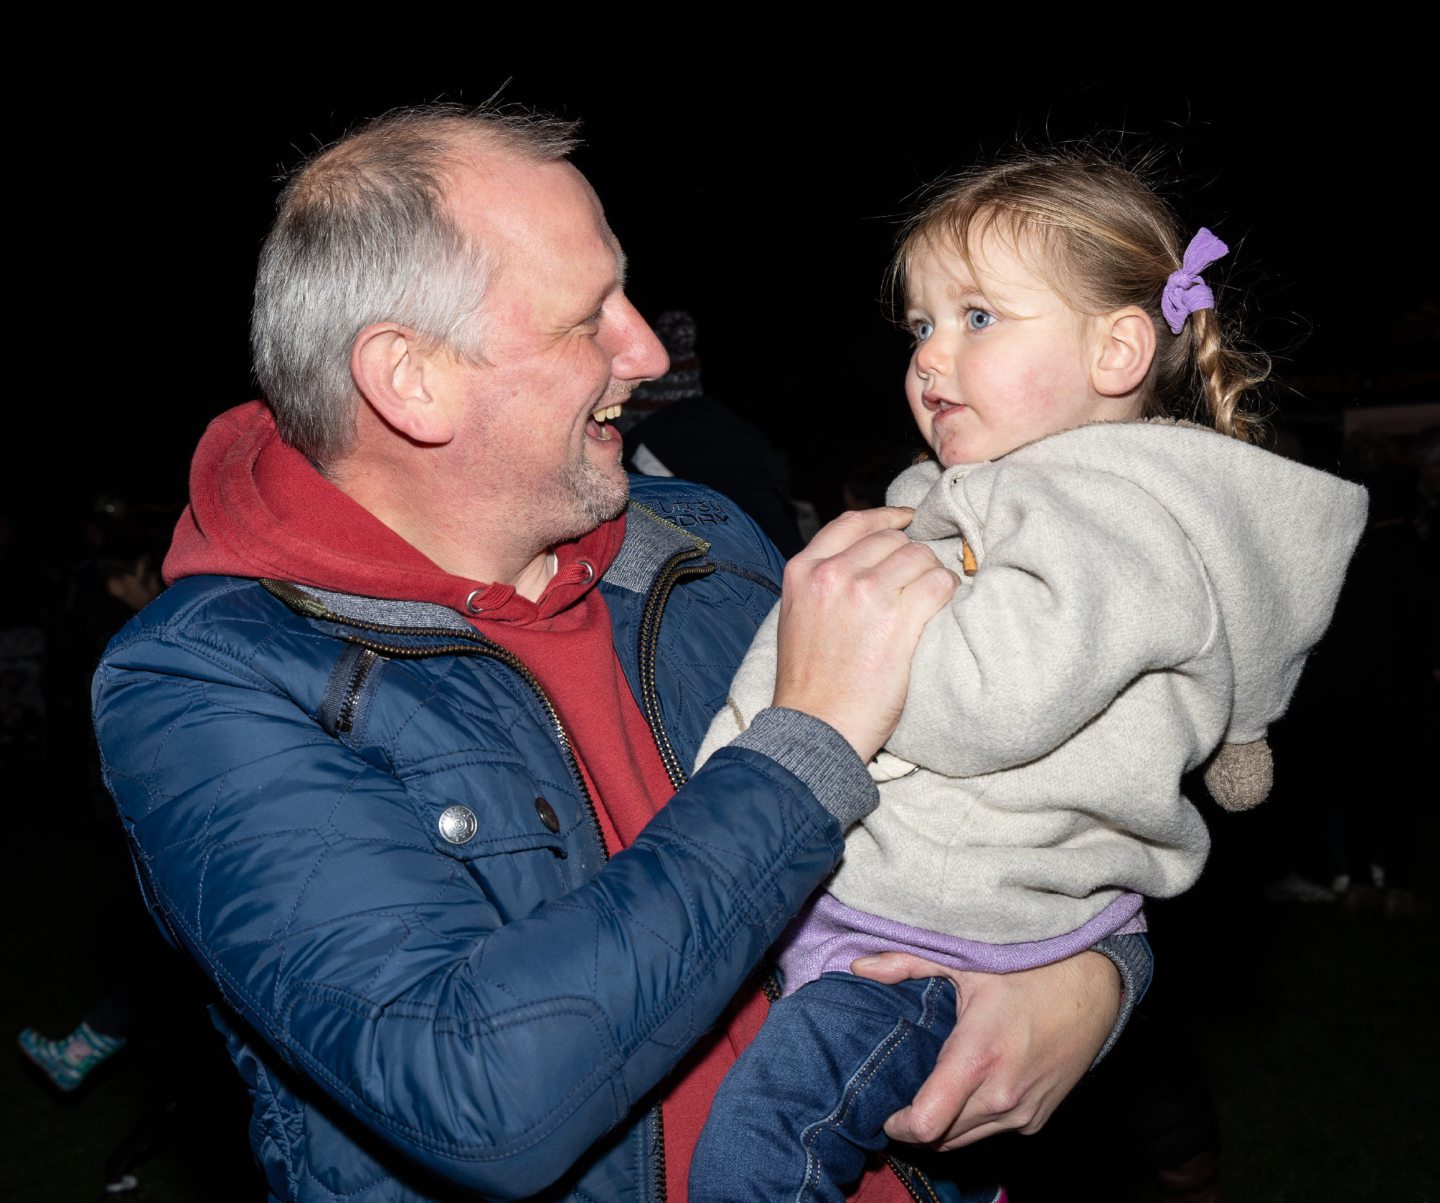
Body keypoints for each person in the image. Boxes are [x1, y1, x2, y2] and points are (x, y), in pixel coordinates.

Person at [91, 108, 1150, 1203]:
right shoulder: (209, 679)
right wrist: (807, 744)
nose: (645, 351)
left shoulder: (700, 543)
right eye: (585, 319)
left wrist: (1095, 975)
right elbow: (480, 1097)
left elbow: (1015, 798)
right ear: (410, 379)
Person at [690, 148, 1367, 1202]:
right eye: (919, 325)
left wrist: (840, 651)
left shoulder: (1109, 514)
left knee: (766, 1145)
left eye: (977, 318)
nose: (928, 356)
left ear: (1118, 350)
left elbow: (986, 700)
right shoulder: (987, 492)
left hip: (954, 934)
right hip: (917, 904)